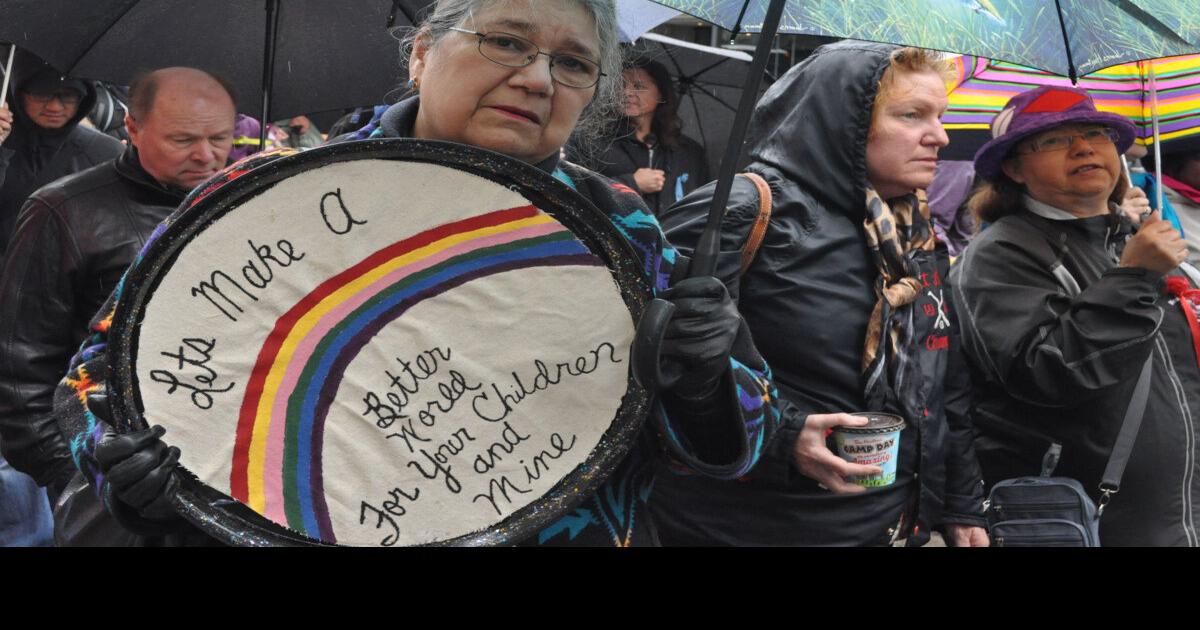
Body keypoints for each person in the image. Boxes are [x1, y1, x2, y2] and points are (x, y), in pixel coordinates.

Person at [53, 0, 777, 546]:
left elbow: (736, 439)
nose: (535, 78)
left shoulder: (622, 228)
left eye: (574, 64)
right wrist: (127, 470)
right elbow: (94, 380)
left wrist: (703, 382)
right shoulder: (255, 200)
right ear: (422, 54)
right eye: (506, 42)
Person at [654, 41, 989, 546]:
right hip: (749, 527)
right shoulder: (744, 209)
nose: (939, 136)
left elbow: (942, 382)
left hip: (888, 523)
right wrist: (782, 435)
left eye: (939, 116)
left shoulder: (912, 233)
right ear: (844, 121)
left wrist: (960, 505)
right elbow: (654, 362)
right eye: (911, 115)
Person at [949, 85, 1200, 546]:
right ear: (1014, 168)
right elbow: (1046, 370)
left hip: (1177, 514)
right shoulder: (999, 254)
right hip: (1081, 520)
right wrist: (1136, 278)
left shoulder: (1134, 239)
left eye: (1095, 133)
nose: (1083, 147)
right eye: (1053, 140)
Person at [0, 68, 237, 525]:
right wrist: (84, 477)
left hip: (231, 476)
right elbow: (18, 371)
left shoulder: (251, 200)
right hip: (105, 482)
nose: (206, 155)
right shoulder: (64, 210)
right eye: (183, 140)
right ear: (132, 127)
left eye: (220, 138)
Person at [0, 54, 124, 260]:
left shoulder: (105, 154)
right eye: (42, 94)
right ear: (18, 92)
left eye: (69, 95)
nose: (55, 107)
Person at [575, 58, 708, 215]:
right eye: (621, 85)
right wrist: (632, 183)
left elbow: (702, 206)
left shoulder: (689, 152)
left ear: (661, 94)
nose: (627, 93)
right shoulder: (592, 140)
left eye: (638, 86)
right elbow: (576, 192)